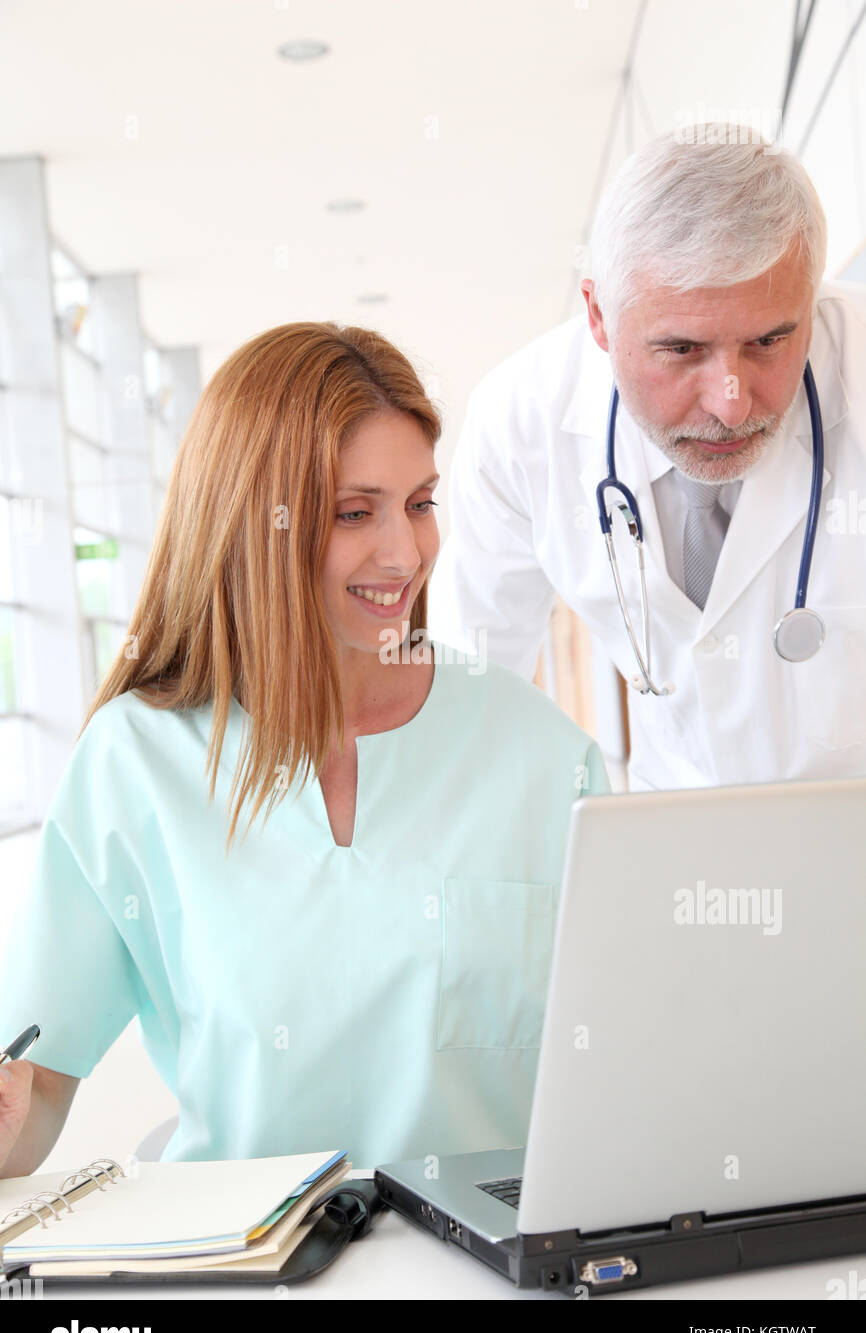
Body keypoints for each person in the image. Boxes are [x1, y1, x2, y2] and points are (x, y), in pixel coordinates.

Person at [0, 322, 608, 1178]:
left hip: (487, 1272)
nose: (405, 553)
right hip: (243, 1274)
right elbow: (40, 1085)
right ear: (252, 522)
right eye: (356, 513)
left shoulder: (538, 753)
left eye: (420, 504)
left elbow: (624, 1056)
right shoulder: (136, 762)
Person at [428, 125, 866, 791]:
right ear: (599, 317)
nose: (731, 404)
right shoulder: (523, 424)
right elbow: (471, 695)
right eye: (682, 350)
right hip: (674, 845)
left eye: (770, 340)